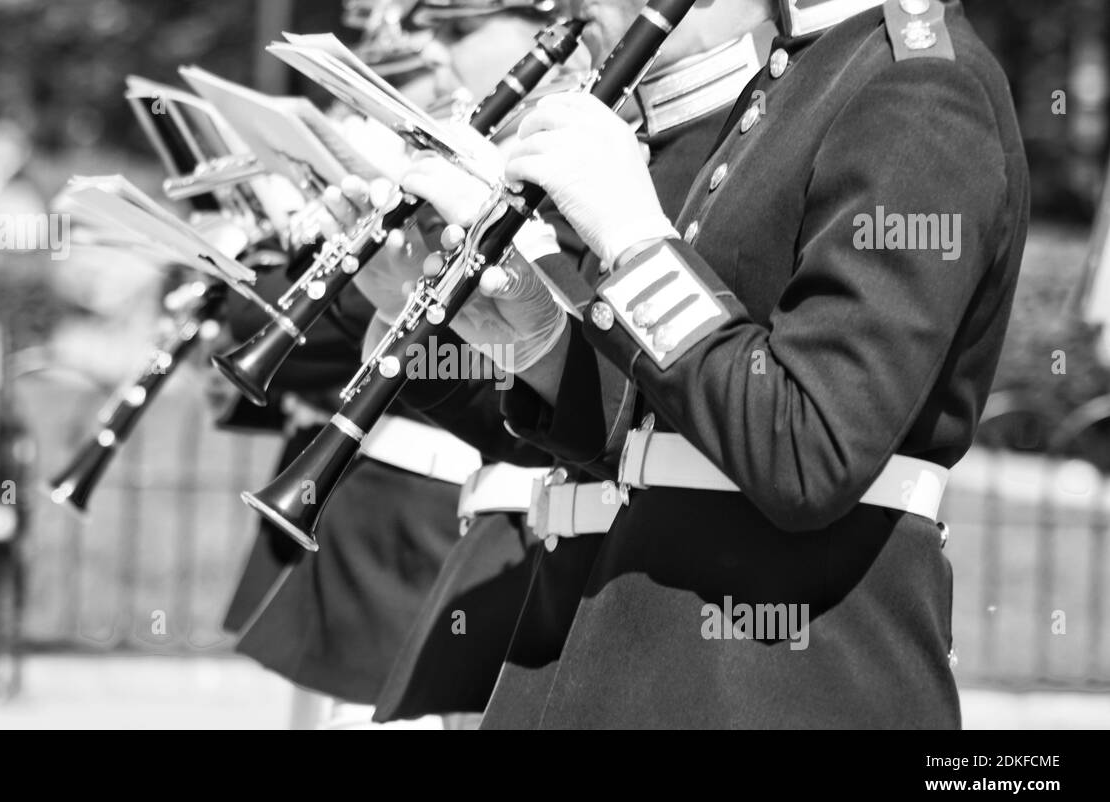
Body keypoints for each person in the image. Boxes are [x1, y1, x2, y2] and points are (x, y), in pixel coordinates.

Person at [361, 0, 1029, 728]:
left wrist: (636, 242)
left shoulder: (923, 89)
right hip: (647, 653)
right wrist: (536, 345)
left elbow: (810, 446)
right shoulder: (798, 71)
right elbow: (667, 423)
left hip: (777, 677)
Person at [369, 7, 780, 726]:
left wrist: (601, 249)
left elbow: (751, 418)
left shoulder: (751, 136)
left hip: (688, 615)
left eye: (457, 30)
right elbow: (568, 408)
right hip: (566, 594)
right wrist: (409, 311)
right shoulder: (633, 133)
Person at [213, 0, 577, 729]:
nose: (435, 57)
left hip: (476, 514)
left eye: (456, 32)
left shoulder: (574, 154)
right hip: (471, 514)